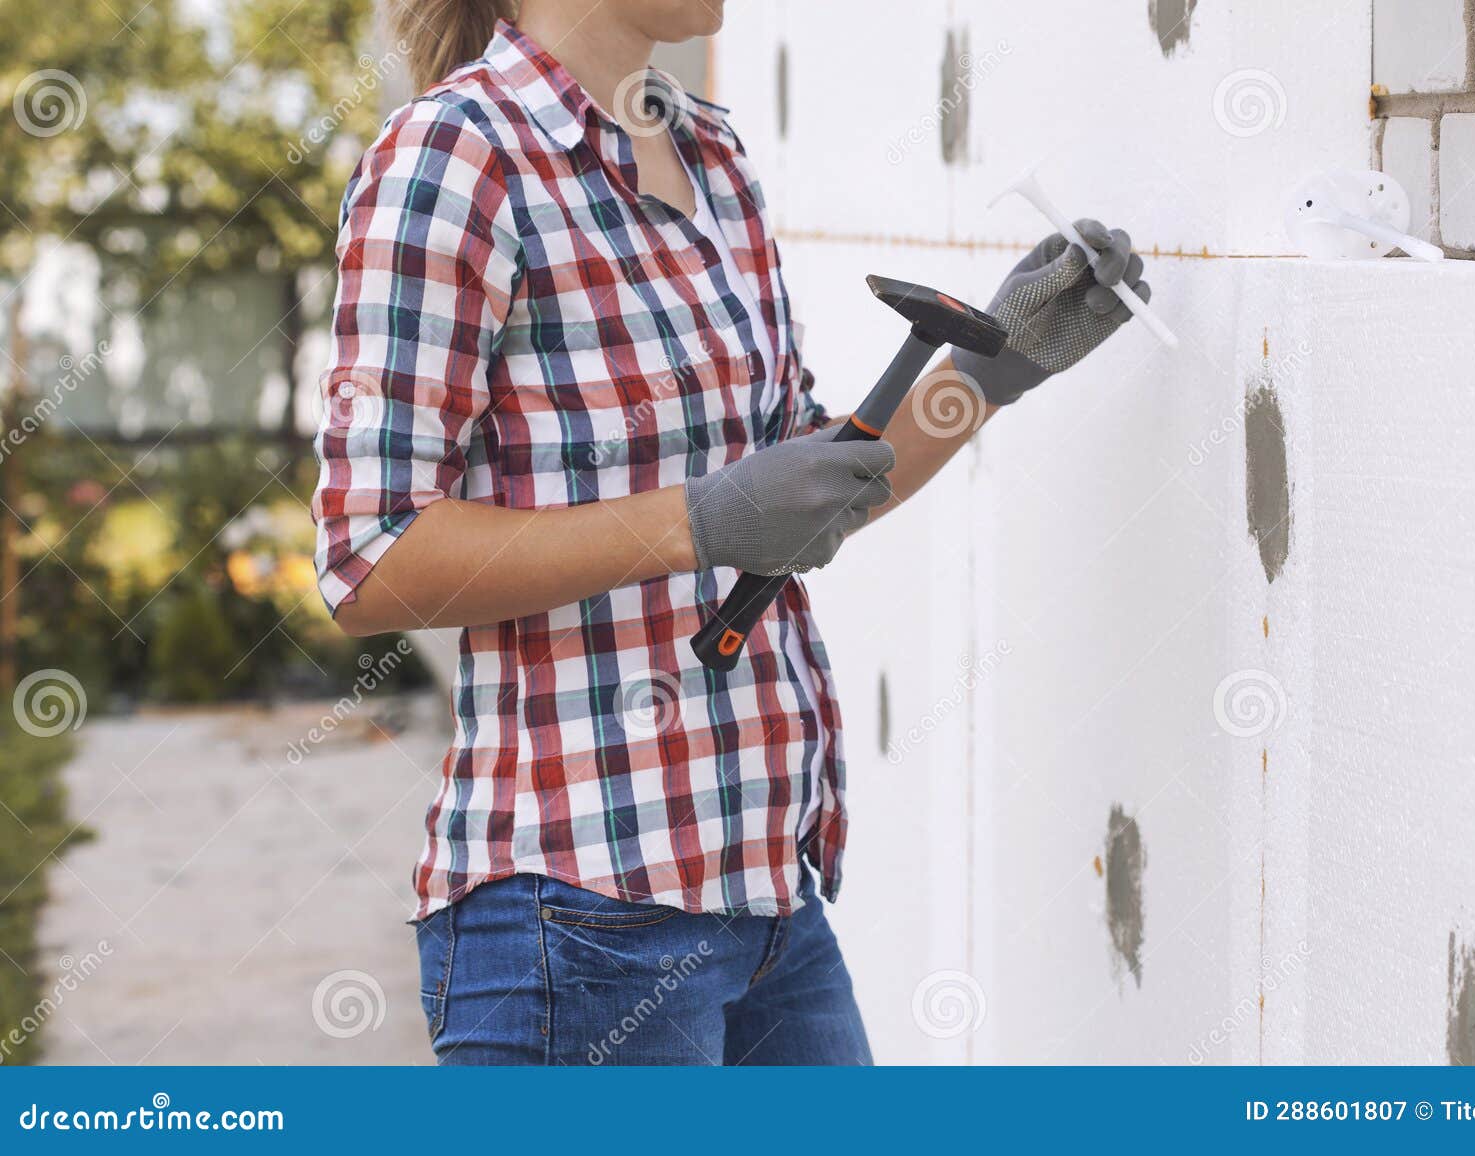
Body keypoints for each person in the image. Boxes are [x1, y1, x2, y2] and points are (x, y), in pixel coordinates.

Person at [311, 0, 1151, 1066]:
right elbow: (371, 557)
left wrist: (986, 373)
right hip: (573, 918)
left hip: (765, 894)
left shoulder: (710, 151)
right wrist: (695, 523)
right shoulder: (451, 158)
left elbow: (806, 486)